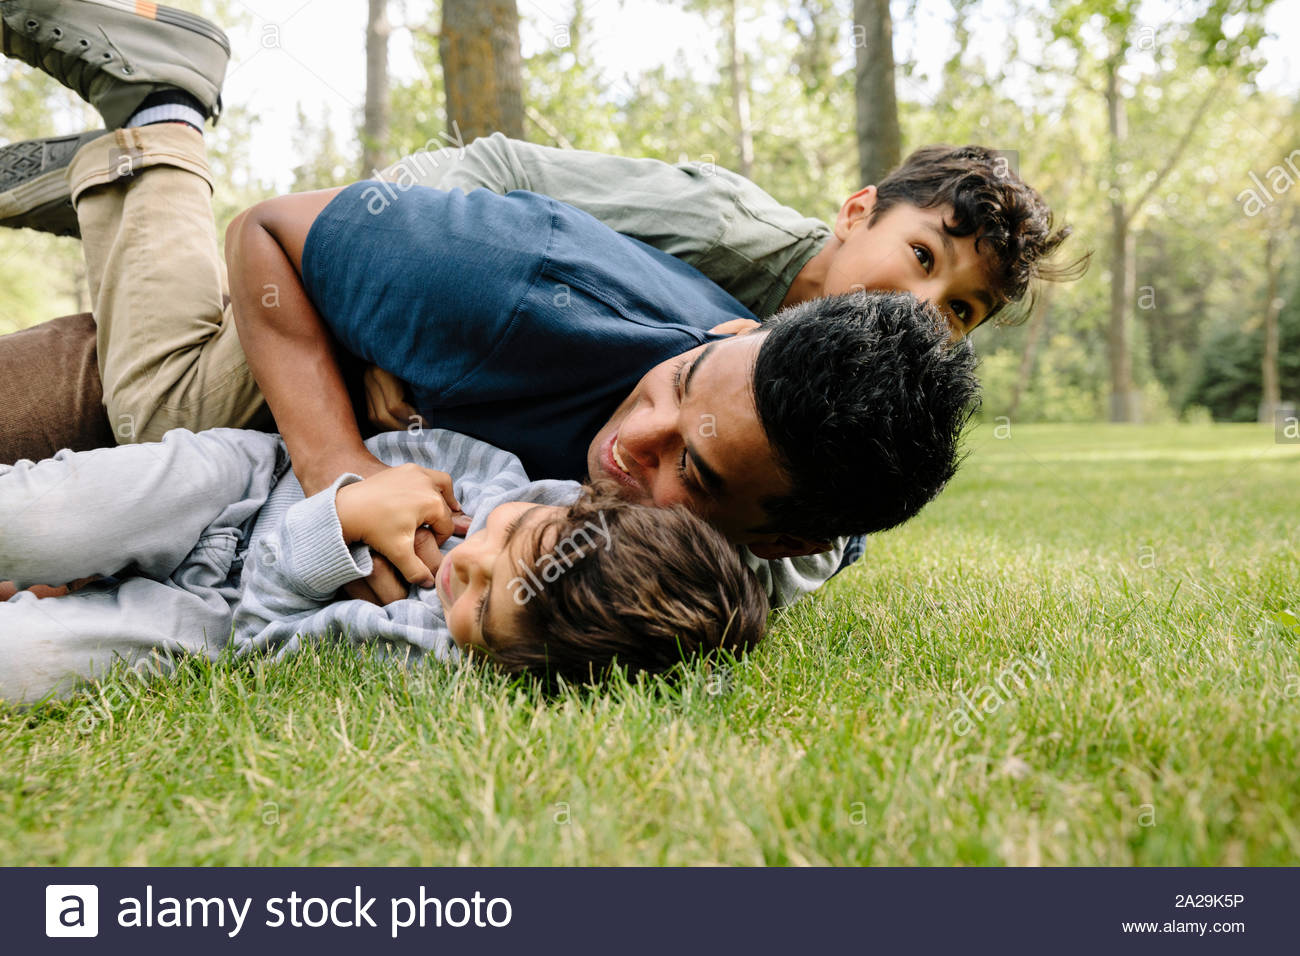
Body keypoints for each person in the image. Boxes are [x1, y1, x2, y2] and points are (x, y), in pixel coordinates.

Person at [0, 0, 990, 607]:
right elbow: (279, 229)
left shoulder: (820, 490)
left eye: (692, 464)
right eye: (919, 252)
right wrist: (339, 462)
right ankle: (159, 123)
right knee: (163, 412)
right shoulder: (531, 281)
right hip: (307, 326)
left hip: (366, 375)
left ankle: (120, 192)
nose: (634, 445)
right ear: (728, 332)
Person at [0, 424, 769, 706]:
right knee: (38, 517)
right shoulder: (490, 473)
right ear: (572, 506)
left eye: (483, 599)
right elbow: (394, 444)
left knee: (26, 660)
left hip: (209, 623)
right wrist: (358, 489)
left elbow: (264, 637)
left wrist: (332, 527)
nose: (469, 557)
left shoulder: (425, 652)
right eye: (511, 535)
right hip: (236, 490)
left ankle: (60, 594)